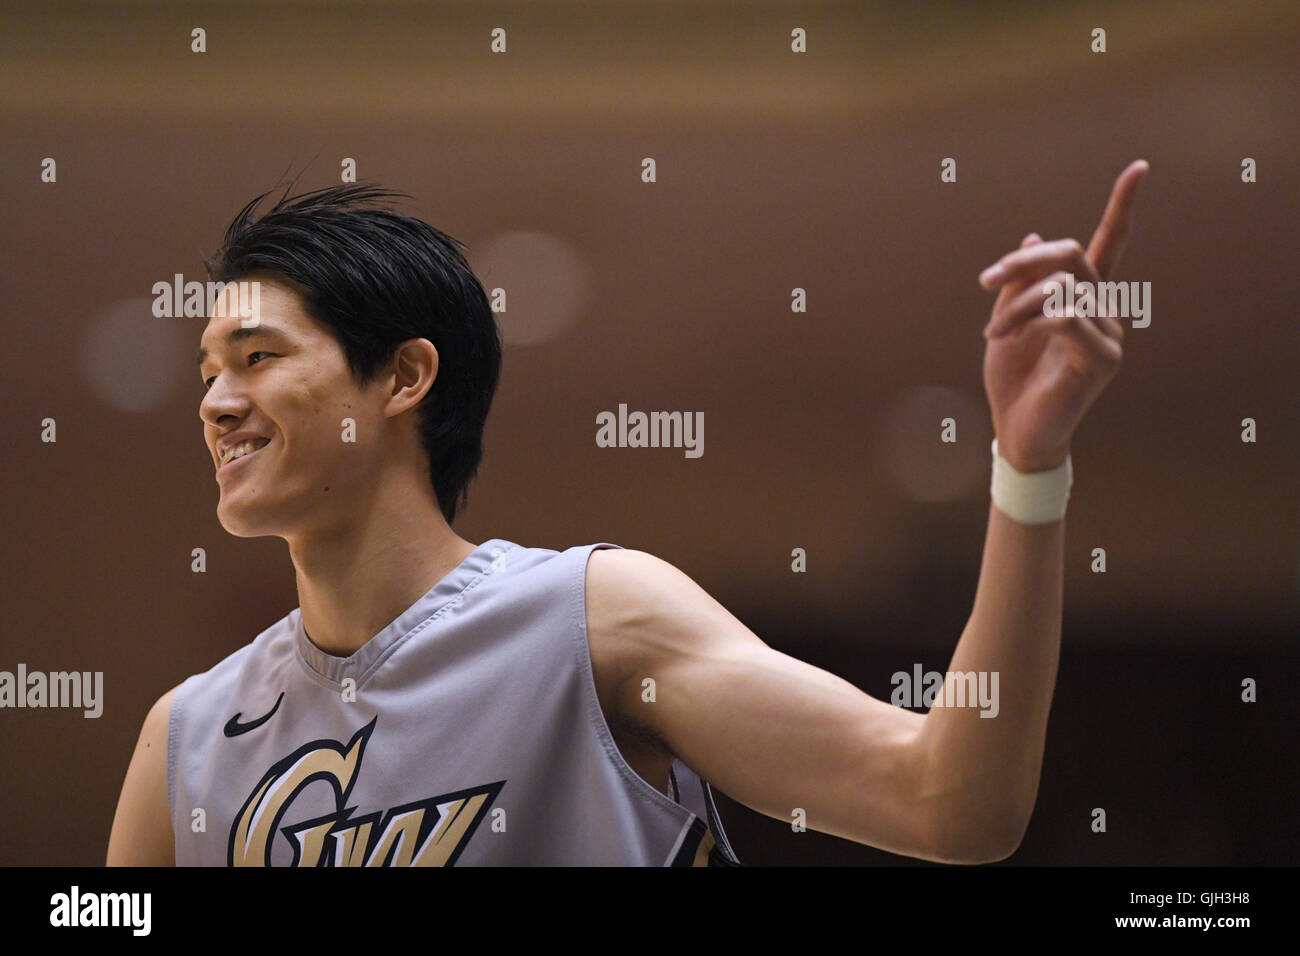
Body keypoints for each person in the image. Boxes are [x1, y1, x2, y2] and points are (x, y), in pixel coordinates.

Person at [107, 161, 1147, 865]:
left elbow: (951, 802)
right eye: (206, 370)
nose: (215, 401)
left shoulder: (596, 617)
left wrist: (1028, 464)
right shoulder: (186, 738)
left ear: (404, 376)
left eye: (258, 357)